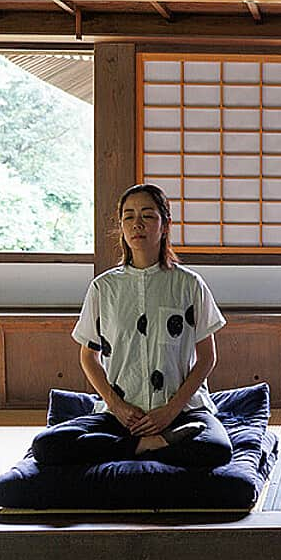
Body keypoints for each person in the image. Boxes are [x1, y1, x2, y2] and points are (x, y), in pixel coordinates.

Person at [31, 183, 232, 469]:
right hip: (122, 415)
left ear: (164, 225)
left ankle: (130, 447)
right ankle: (153, 445)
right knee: (47, 445)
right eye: (129, 216)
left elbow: (207, 358)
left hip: (181, 411)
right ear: (122, 227)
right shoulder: (103, 288)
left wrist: (169, 411)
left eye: (148, 215)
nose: (137, 223)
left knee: (216, 449)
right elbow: (88, 356)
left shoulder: (189, 284)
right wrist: (117, 406)